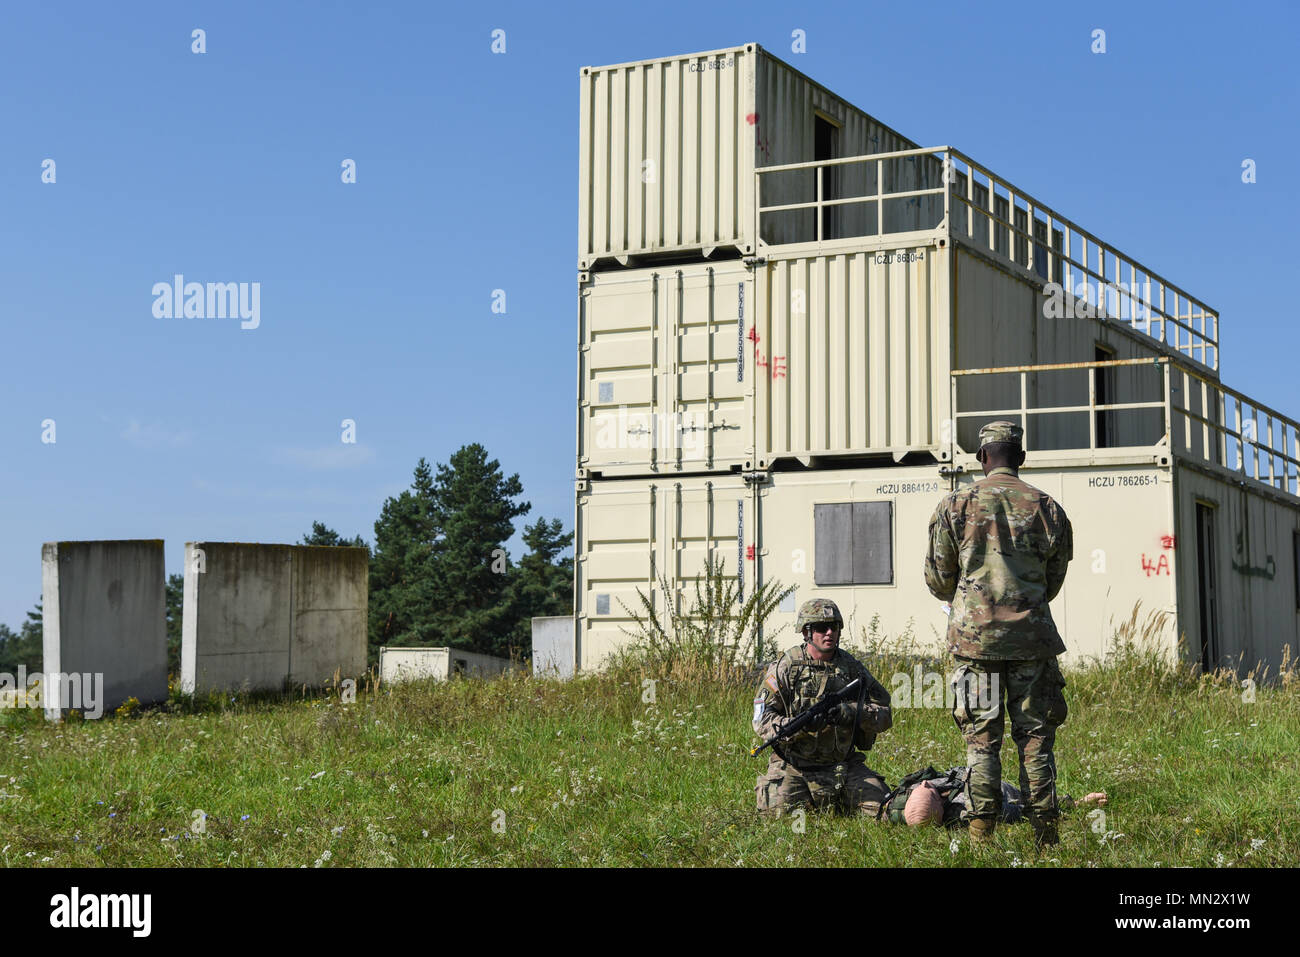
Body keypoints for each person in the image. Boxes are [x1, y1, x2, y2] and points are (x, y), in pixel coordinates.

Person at [924, 420, 1073, 845]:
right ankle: (1046, 838)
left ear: (982, 457)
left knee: (982, 743)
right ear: (1021, 457)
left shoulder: (954, 506)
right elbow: (1053, 581)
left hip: (975, 645)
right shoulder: (1048, 508)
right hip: (1033, 640)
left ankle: (980, 836)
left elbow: (938, 579)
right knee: (1037, 742)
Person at [752, 598, 893, 816]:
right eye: (820, 627)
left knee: (885, 810)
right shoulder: (787, 666)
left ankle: (838, 801)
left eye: (834, 627)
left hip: (842, 765)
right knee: (775, 818)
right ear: (806, 632)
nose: (829, 632)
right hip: (794, 766)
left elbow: (885, 714)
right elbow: (760, 718)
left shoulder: (852, 669)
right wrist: (796, 726)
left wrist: (850, 712)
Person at [880, 765, 1106, 828]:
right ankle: (1075, 804)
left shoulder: (906, 796)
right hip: (996, 792)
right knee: (1024, 807)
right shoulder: (962, 810)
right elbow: (1018, 809)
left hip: (979, 781)